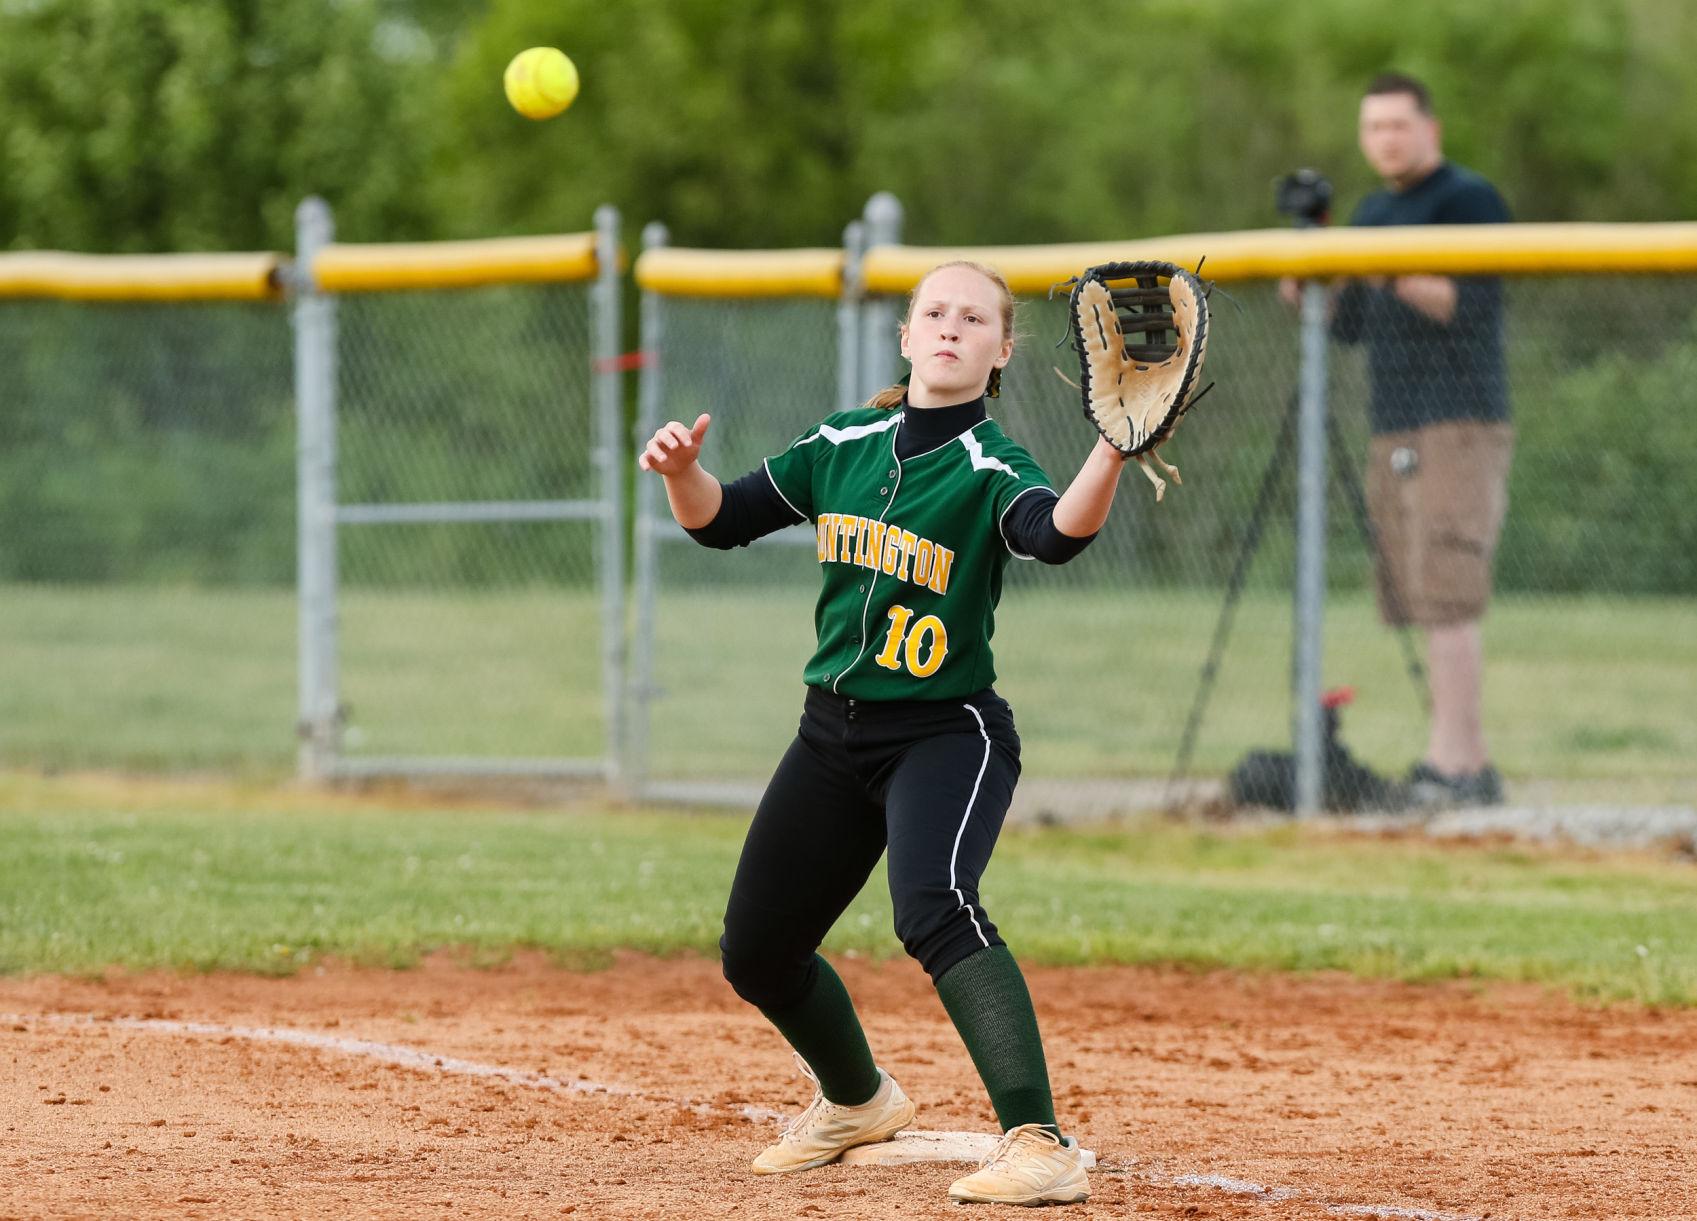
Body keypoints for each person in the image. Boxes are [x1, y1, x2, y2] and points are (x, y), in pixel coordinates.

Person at [637, 261, 1128, 1206]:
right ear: (904, 338)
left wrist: (1108, 450)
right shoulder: (841, 440)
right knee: (757, 949)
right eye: (933, 313)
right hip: (832, 733)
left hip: (946, 732)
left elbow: (1054, 534)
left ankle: (1039, 1141)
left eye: (973, 318)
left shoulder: (992, 465)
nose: (950, 327)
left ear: (999, 351)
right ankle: (857, 1099)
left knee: (935, 905)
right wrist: (683, 474)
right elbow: (723, 521)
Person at [1284, 71, 1514, 808]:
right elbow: (1349, 329)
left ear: (1428, 129)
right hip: (1391, 423)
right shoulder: (1371, 209)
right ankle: (1457, 761)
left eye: (1396, 124)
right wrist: (1310, 281)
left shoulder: (1466, 199)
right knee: (1413, 592)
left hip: (1457, 420)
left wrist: (1375, 263)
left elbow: (1469, 305)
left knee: (1449, 591)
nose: (1384, 139)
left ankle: (1455, 765)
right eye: (1371, 127)